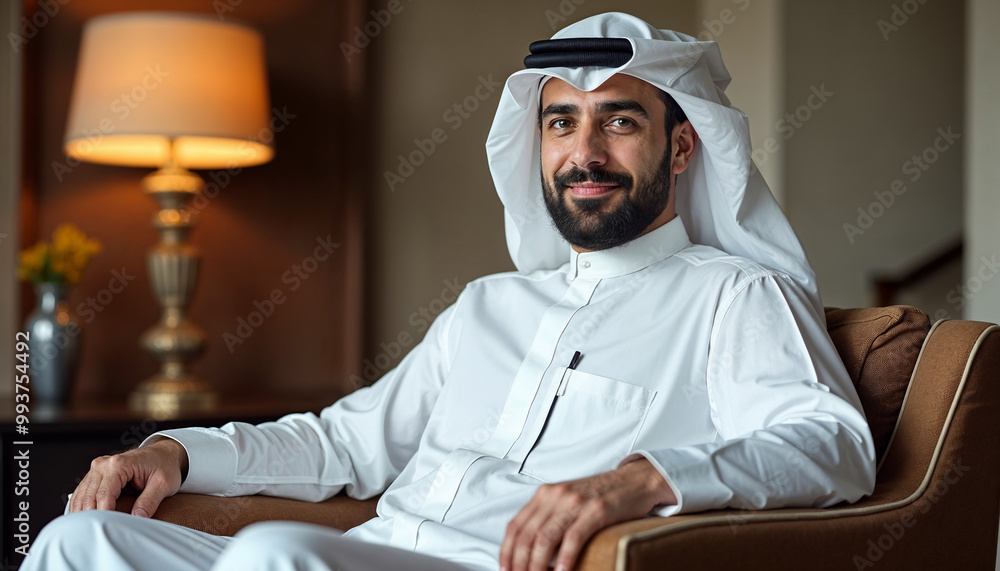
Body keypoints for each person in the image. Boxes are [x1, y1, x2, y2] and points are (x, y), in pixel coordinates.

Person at [22, 12, 875, 571]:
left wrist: (642, 479)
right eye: (561, 122)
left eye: (619, 120)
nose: (585, 153)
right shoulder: (488, 306)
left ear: (681, 150)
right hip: (380, 550)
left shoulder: (737, 295)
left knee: (276, 555)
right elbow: (342, 446)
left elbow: (831, 442)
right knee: (78, 539)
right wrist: (172, 451)